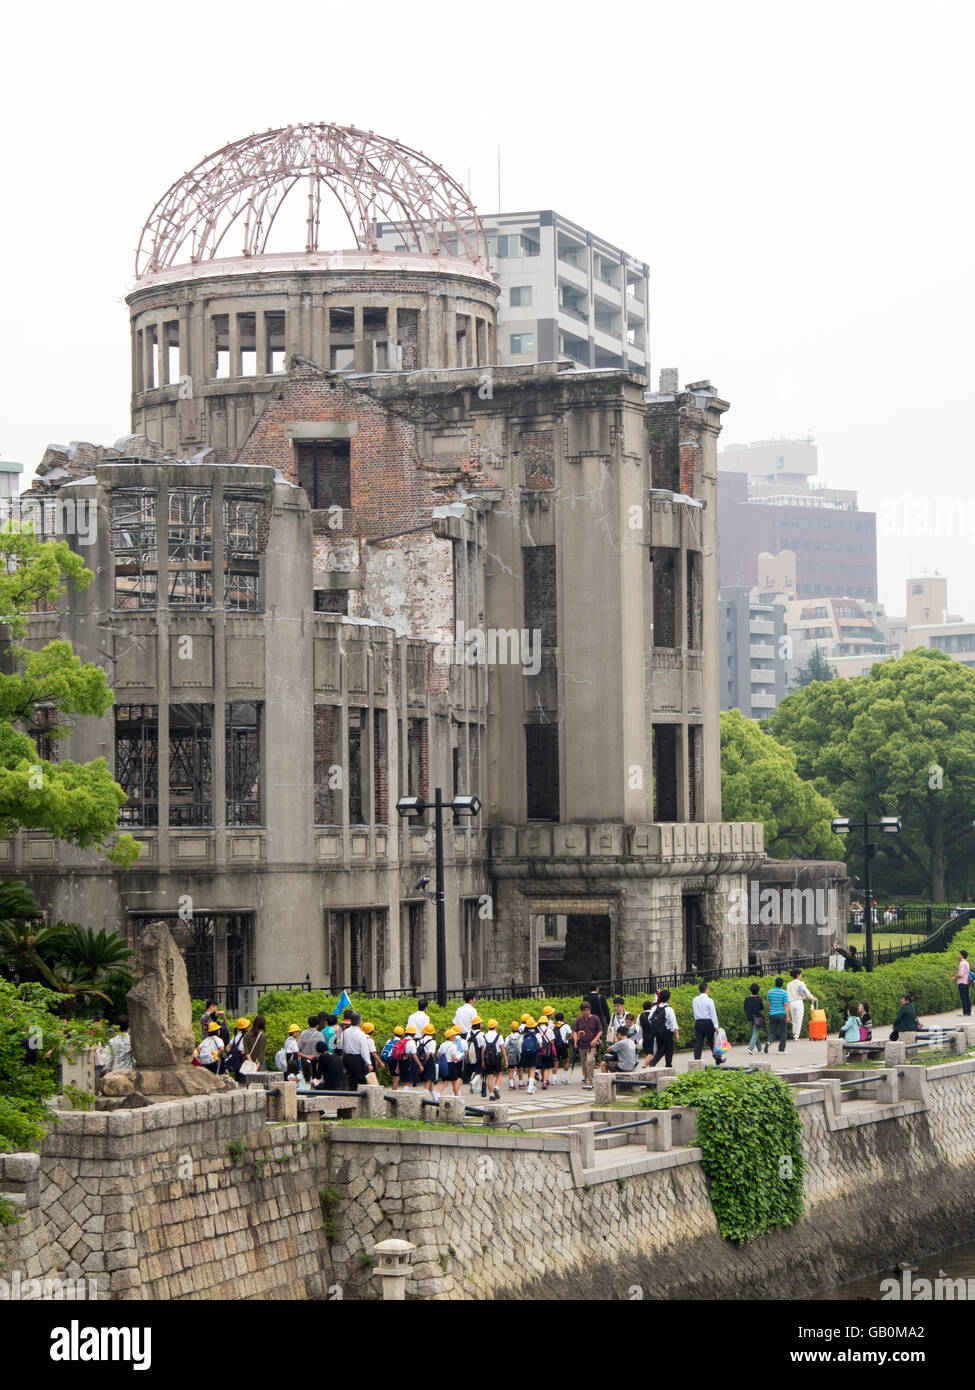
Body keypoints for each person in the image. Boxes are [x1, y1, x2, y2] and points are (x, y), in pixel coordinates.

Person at [572, 1001, 603, 1090]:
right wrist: (575, 1041)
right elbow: (575, 1031)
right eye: (584, 1010)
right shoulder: (579, 1019)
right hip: (581, 1044)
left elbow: (600, 1030)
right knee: (584, 1063)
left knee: (590, 1061)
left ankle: (590, 1081)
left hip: (591, 1045)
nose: (586, 1012)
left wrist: (595, 1040)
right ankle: (586, 1080)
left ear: (590, 1010)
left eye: (587, 1010)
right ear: (581, 1011)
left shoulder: (595, 1018)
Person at [340, 1012, 375, 1087]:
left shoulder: (345, 1032)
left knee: (351, 1079)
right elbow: (364, 1050)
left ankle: (352, 1095)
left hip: (347, 1058)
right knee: (361, 1080)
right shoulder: (361, 1034)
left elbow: (341, 1045)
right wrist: (369, 1063)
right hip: (358, 1058)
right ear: (359, 1022)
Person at [647, 989, 678, 1067]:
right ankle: (668, 1065)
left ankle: (653, 1063)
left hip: (657, 1032)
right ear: (668, 999)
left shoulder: (654, 1008)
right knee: (669, 1049)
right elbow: (673, 1022)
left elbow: (649, 1018)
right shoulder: (669, 1009)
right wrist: (676, 1033)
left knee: (660, 1049)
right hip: (667, 1032)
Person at [786, 969, 818, 1042]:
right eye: (800, 974)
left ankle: (794, 1034)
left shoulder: (788, 984)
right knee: (799, 1020)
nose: (801, 976)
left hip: (791, 1003)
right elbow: (807, 992)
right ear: (798, 975)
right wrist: (813, 998)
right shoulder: (801, 983)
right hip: (799, 1002)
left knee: (794, 1020)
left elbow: (787, 995)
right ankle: (796, 1036)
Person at [692, 983, 720, 1062]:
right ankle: (718, 1059)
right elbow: (713, 1014)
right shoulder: (709, 1000)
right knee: (712, 1042)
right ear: (706, 989)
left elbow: (694, 1011)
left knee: (698, 1043)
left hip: (698, 1022)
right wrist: (716, 1026)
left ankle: (697, 1060)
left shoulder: (695, 1000)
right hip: (707, 1022)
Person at [480, 1019, 506, 1101]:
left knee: (489, 1076)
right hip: (496, 1057)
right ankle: (496, 1087)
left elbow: (483, 1050)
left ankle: (491, 1095)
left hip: (488, 1059)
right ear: (496, 1026)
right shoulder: (499, 1036)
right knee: (499, 1073)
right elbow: (502, 1048)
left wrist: (483, 1061)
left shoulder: (484, 1037)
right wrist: (506, 1059)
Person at [297, 1015, 325, 1083]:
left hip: (305, 1060)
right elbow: (322, 1049)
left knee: (305, 1078)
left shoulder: (303, 1033)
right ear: (317, 1024)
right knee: (315, 1079)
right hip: (316, 1060)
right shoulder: (320, 1035)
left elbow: (298, 1047)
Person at [766, 977, 789, 1053]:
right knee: (783, 1032)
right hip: (782, 1014)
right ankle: (781, 1050)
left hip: (772, 1014)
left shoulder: (770, 992)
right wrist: (788, 1016)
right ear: (782, 984)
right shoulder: (784, 993)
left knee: (772, 1031)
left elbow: (768, 1004)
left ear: (775, 983)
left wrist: (770, 1011)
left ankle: (768, 1041)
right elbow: (786, 1005)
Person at [535, 1013, 557, 1090]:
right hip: (547, 1051)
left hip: (539, 1051)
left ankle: (542, 1079)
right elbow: (552, 1042)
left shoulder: (537, 1030)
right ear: (546, 1022)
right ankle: (545, 1082)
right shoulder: (549, 1030)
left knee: (542, 1067)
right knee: (547, 1067)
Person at [417, 1023, 438, 1098]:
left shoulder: (419, 1041)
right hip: (429, 1061)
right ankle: (423, 1097)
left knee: (431, 1082)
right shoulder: (432, 1042)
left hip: (420, 1060)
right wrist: (424, 1063)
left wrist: (420, 1064)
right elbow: (429, 1054)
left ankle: (435, 1098)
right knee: (429, 1079)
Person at [744, 982, 764, 1054]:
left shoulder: (747, 999)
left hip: (749, 1018)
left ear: (750, 990)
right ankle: (750, 1048)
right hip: (757, 1018)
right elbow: (762, 1007)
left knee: (754, 1033)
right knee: (755, 1033)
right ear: (758, 990)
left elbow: (745, 1008)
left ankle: (760, 1048)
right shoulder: (759, 999)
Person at [553, 1012, 573, 1084]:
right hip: (563, 1045)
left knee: (556, 1061)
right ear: (563, 1018)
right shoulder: (566, 1025)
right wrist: (567, 1039)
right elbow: (572, 1035)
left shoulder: (553, 1026)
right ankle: (565, 1078)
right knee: (567, 1060)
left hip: (555, 1045)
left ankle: (554, 1079)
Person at [504, 1019, 522, 1090]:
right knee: (520, 1069)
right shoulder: (520, 1037)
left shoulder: (508, 1037)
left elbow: (505, 1046)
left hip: (510, 1056)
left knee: (511, 1070)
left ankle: (511, 1085)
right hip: (519, 1055)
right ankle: (520, 1083)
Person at [957, 950, 971, 1017]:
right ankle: (968, 1012)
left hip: (962, 982)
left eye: (959, 954)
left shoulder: (962, 963)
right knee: (967, 997)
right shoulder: (966, 963)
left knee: (963, 998)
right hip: (967, 982)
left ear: (962, 955)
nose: (958, 955)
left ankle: (965, 1012)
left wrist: (955, 977)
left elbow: (961, 974)